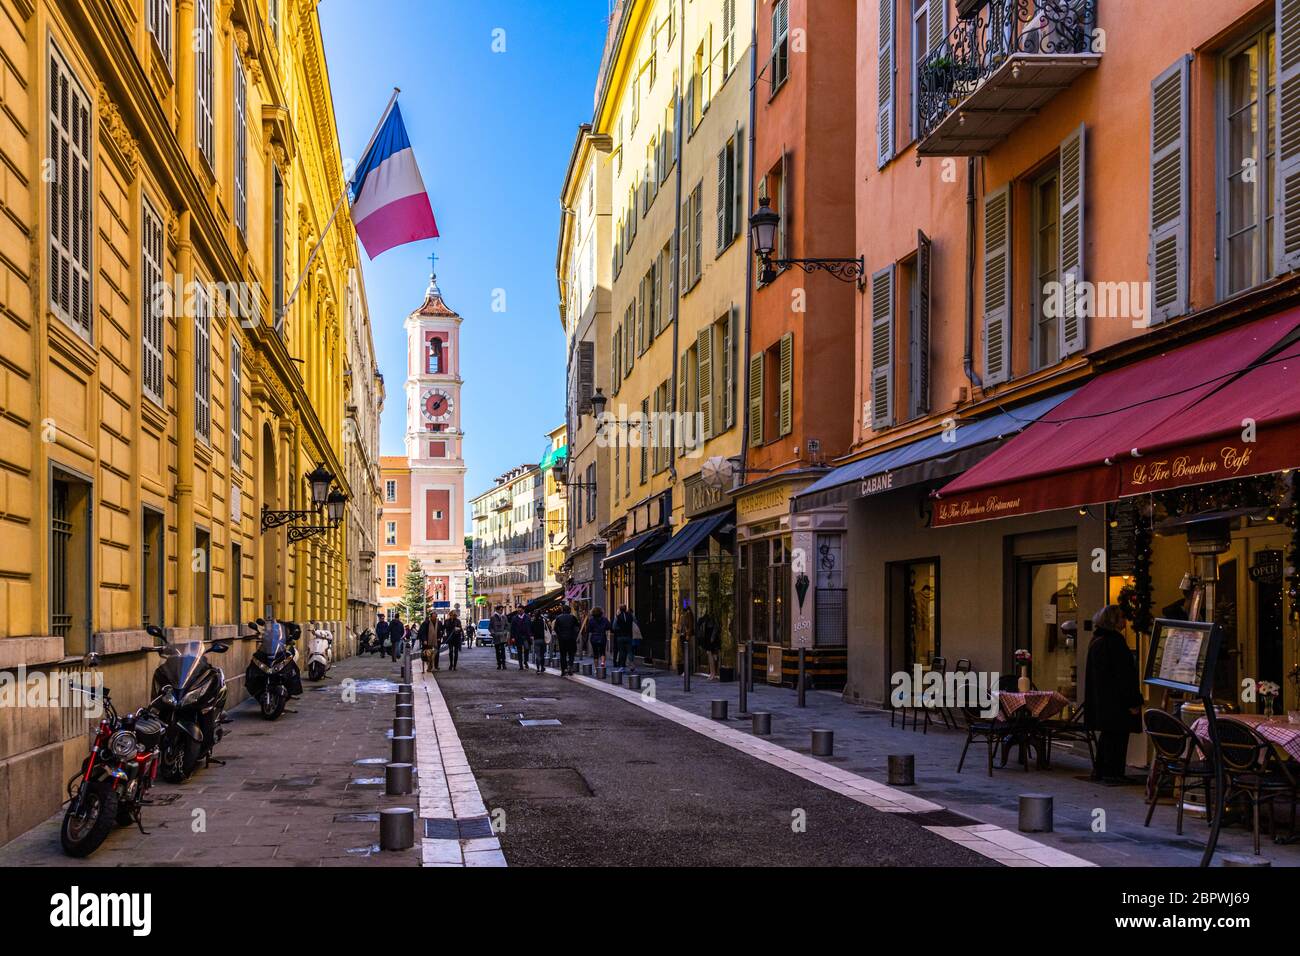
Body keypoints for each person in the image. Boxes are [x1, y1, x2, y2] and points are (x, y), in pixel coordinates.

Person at [1083, 604, 1143, 784]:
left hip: (1103, 700)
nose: (1125, 621)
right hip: (1117, 702)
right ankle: (1114, 771)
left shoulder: (1097, 640)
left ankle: (1102, 770)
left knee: (1108, 737)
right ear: (1114, 621)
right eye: (1122, 618)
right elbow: (1124, 674)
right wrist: (1133, 700)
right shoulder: (1115, 642)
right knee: (1117, 737)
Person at [553, 603, 580, 675]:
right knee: (571, 654)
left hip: (562, 639)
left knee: (563, 654)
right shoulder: (573, 617)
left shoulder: (558, 618)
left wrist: (559, 635)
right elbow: (577, 627)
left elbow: (555, 628)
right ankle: (570, 667)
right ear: (569, 610)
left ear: (562, 610)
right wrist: (574, 635)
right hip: (571, 639)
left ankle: (563, 670)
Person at [697, 609, 720, 680]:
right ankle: (712, 673)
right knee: (711, 656)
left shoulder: (713, 618)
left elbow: (716, 627)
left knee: (712, 656)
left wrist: (712, 638)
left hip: (711, 639)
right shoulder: (706, 618)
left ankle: (713, 673)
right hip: (708, 638)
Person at [490, 605, 510, 670]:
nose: (501, 611)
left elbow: (507, 626)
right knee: (497, 651)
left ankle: (504, 664)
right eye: (500, 610)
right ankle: (499, 664)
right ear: (497, 610)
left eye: (502, 610)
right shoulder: (493, 617)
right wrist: (493, 633)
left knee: (503, 650)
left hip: (503, 636)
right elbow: (490, 627)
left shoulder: (504, 617)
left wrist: (505, 631)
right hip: (496, 637)